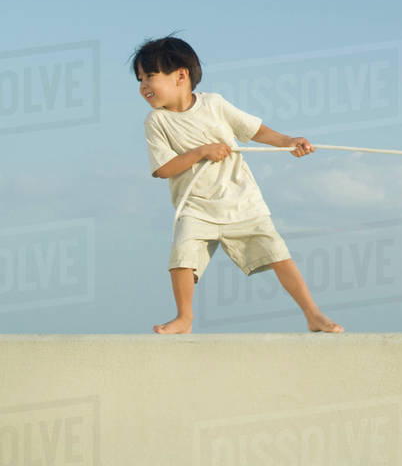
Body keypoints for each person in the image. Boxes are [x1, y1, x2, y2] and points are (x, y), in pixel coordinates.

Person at [131, 33, 343, 335]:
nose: (143, 86)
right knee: (182, 256)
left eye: (150, 76)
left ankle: (313, 314)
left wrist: (289, 142)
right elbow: (164, 169)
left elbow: (254, 130)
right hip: (197, 207)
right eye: (140, 79)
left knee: (278, 254)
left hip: (241, 201)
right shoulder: (156, 121)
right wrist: (202, 151)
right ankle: (184, 318)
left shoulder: (214, 104)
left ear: (181, 75)